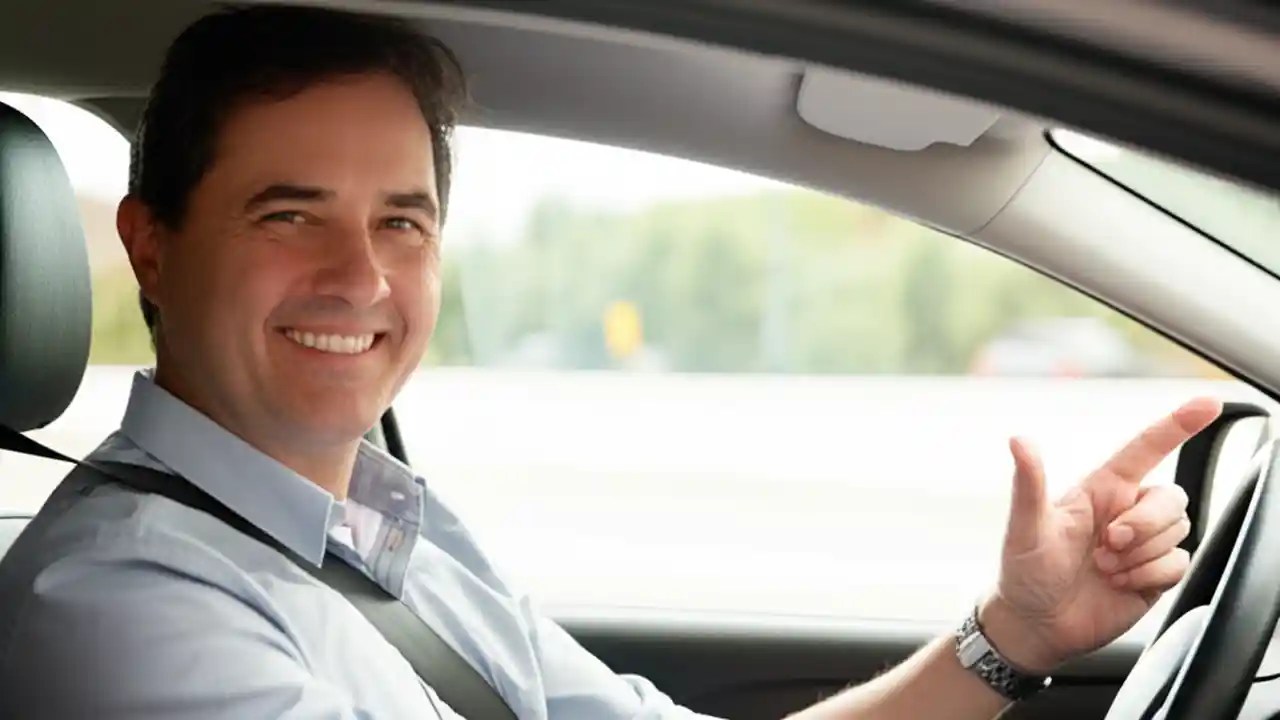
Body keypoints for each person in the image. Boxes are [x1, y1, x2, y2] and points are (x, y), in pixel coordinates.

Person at [0, 5, 1220, 719]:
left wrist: (1011, 633)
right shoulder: (116, 612)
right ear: (151, 249)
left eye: (402, 220)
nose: (360, 276)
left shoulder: (379, 526)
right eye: (288, 214)